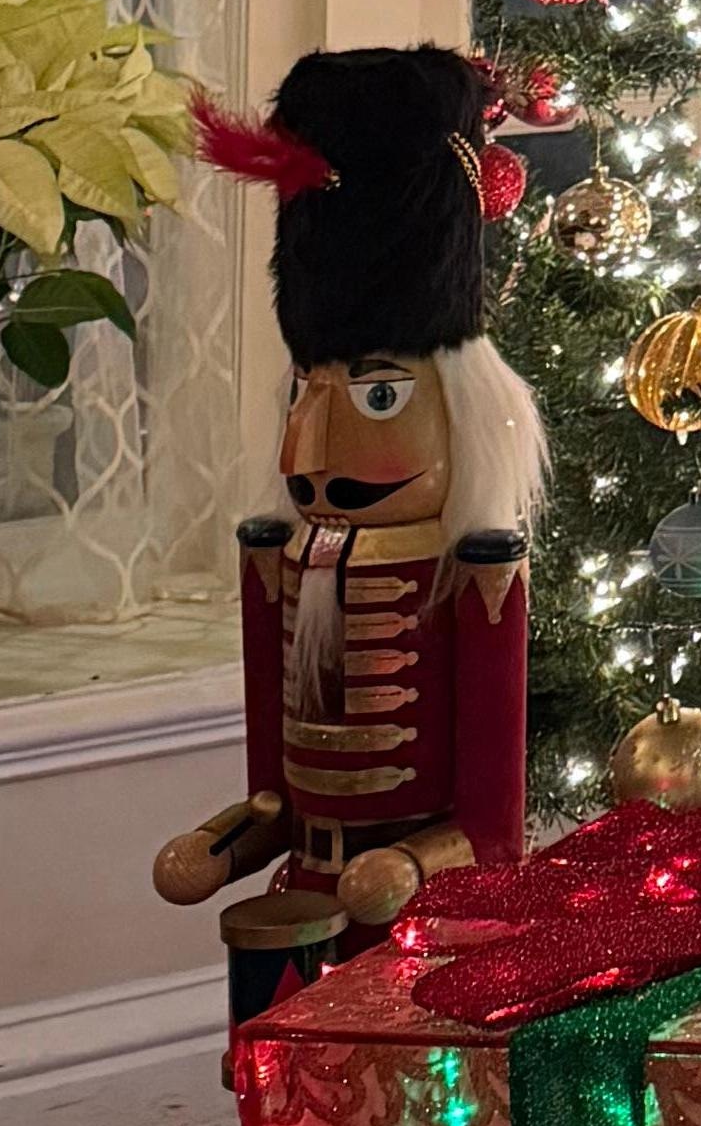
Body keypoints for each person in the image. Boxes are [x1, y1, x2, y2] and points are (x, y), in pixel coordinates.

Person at [154, 50, 537, 1028]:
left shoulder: (479, 572)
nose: (312, 448)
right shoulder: (280, 557)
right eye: (306, 394)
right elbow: (272, 793)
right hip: (310, 890)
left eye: (377, 397)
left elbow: (494, 824)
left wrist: (407, 865)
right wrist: (220, 847)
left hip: (430, 915)